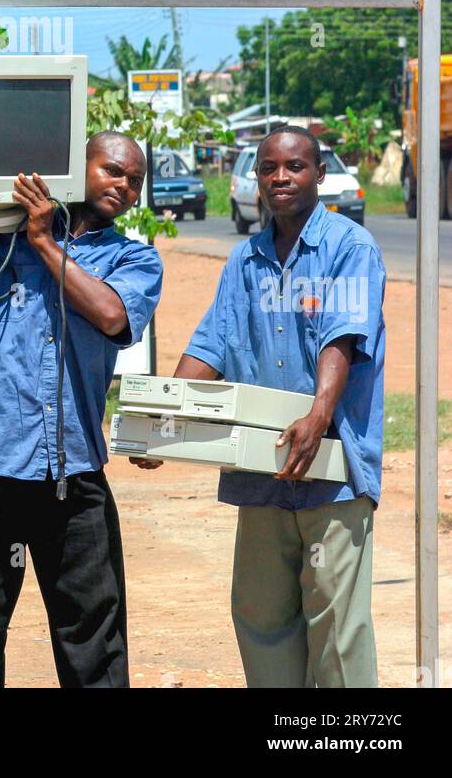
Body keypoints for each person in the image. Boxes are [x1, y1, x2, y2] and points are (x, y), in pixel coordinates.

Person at [0, 131, 163, 689]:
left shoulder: (132, 258)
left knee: (93, 635)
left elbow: (112, 316)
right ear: (77, 167)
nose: (124, 185)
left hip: (72, 475)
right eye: (113, 170)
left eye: (135, 180)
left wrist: (47, 244)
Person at [135, 125, 385, 689]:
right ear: (256, 178)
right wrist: (161, 424)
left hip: (331, 472)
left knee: (337, 631)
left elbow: (340, 339)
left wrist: (319, 414)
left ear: (320, 175)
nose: (280, 177)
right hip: (264, 468)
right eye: (268, 167)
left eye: (294, 167)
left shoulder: (349, 247)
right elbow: (211, 345)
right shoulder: (245, 260)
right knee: (261, 619)